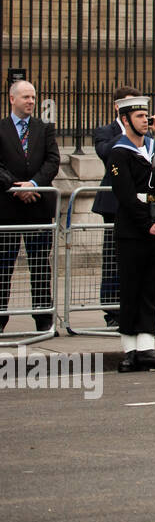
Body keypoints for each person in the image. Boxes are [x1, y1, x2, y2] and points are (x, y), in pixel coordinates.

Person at [108, 94, 155, 371]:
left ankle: (147, 347)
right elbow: (124, 195)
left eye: (146, 115)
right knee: (130, 287)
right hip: (133, 227)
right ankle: (130, 350)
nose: (145, 120)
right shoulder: (119, 151)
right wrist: (146, 223)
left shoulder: (154, 148)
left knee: (150, 288)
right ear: (125, 120)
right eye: (139, 116)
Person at [0, 79, 60, 334]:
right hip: (8, 207)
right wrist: (16, 187)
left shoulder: (43, 128)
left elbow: (53, 160)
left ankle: (44, 320)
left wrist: (34, 184)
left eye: (33, 97)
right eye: (26, 97)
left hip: (38, 205)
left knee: (39, 266)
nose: (31, 102)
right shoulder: (1, 128)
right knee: (3, 267)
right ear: (12, 99)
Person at [91, 84, 142, 328]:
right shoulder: (106, 131)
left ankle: (135, 306)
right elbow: (105, 152)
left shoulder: (144, 131)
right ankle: (112, 310)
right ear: (118, 107)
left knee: (137, 257)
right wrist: (128, 134)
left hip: (140, 202)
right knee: (113, 257)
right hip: (114, 203)